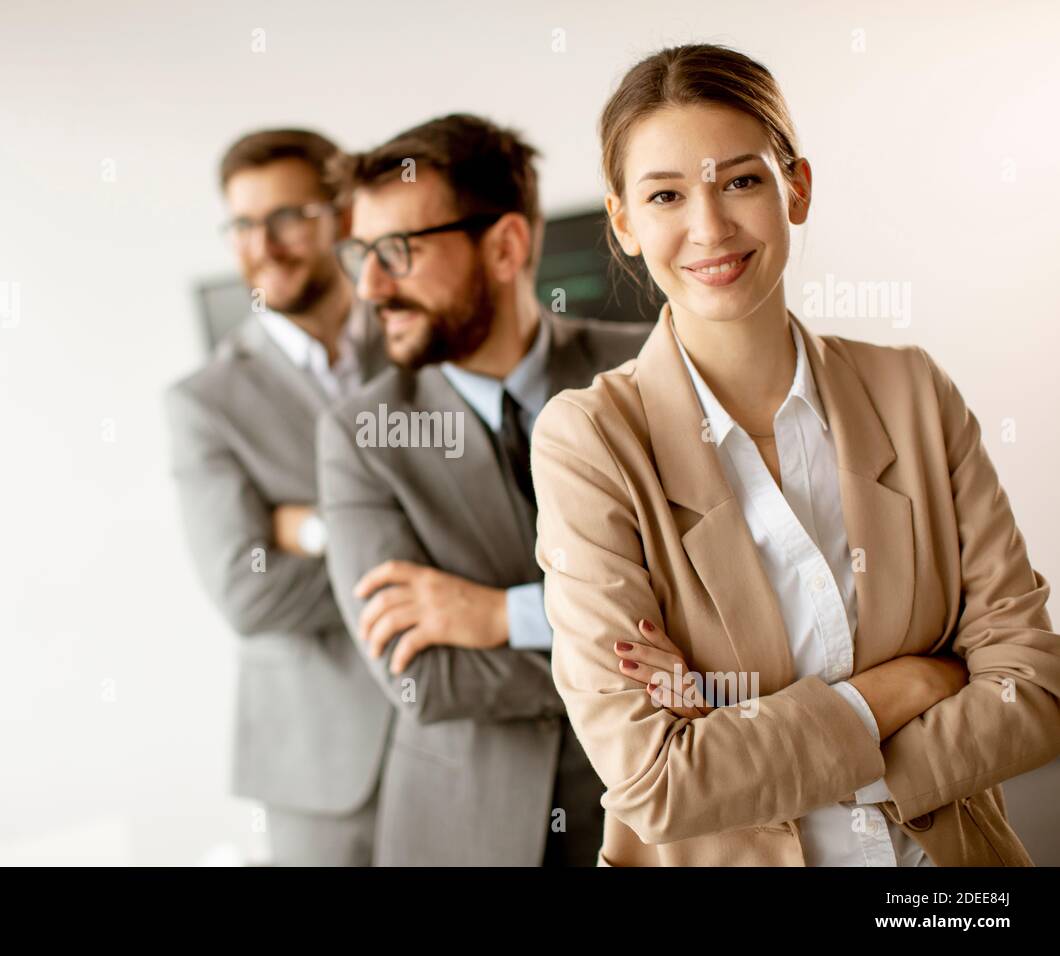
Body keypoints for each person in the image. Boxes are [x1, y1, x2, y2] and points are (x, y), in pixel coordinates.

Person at [531, 43, 1060, 866]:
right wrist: (909, 685)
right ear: (625, 223)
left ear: (796, 187)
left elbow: (1031, 689)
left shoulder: (913, 392)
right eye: (666, 194)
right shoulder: (591, 440)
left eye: (740, 180)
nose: (709, 226)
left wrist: (751, 740)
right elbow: (658, 784)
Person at [317, 114, 651, 865]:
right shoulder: (359, 433)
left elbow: (721, 614)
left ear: (504, 246)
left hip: (661, 815)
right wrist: (642, 657)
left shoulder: (647, 371)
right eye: (358, 254)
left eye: (397, 251)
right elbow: (425, 679)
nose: (369, 287)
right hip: (465, 834)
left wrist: (504, 614)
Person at [164, 129, 392, 865]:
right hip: (320, 768)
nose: (264, 245)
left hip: (475, 741)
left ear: (343, 216)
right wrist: (387, 551)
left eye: (288, 217)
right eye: (242, 224)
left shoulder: (425, 341)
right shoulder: (205, 403)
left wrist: (310, 532)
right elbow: (248, 593)